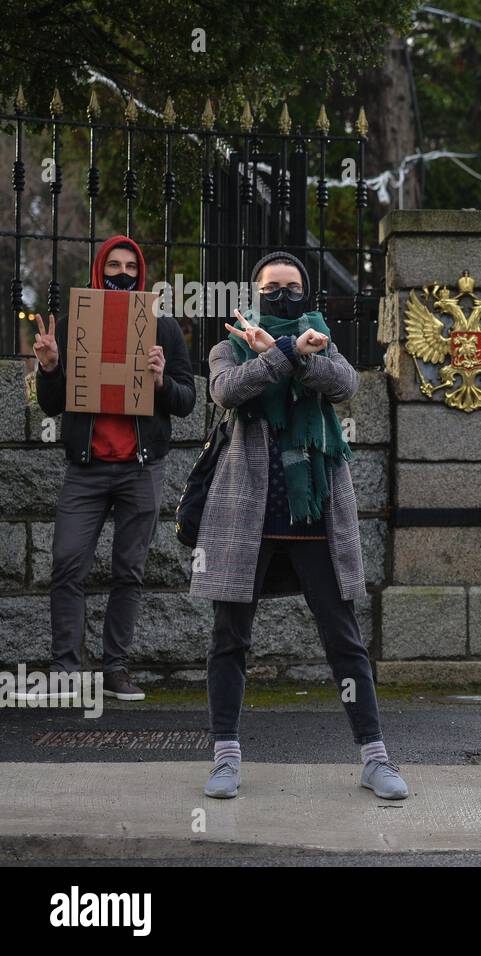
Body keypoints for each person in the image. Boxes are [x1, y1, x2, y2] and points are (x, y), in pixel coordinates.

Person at [191, 251, 407, 800]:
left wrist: (296, 354)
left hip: (314, 515)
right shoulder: (229, 344)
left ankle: (374, 756)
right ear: (256, 291)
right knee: (230, 638)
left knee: (343, 638)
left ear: (304, 295)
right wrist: (279, 353)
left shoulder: (321, 338)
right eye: (273, 287)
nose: (283, 296)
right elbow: (226, 391)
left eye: (292, 288)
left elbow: (344, 385)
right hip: (248, 514)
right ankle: (225, 757)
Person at [28, 235, 195, 702]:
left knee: (130, 571)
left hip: (141, 469)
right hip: (86, 469)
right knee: (67, 564)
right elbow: (51, 404)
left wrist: (162, 382)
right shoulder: (74, 326)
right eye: (113, 266)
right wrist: (49, 367)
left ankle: (115, 669)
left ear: (142, 275)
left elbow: (187, 402)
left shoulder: (163, 329)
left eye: (130, 268)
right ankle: (64, 671)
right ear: (98, 271)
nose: (122, 274)